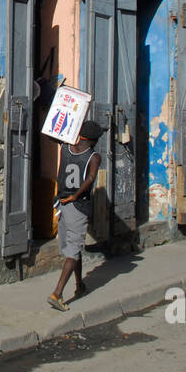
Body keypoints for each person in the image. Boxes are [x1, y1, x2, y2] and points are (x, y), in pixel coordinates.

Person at [47, 120, 103, 310]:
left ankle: (79, 285)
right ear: (94, 140)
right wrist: (76, 195)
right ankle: (57, 293)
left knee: (73, 248)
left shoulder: (65, 148)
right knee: (73, 249)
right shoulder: (93, 156)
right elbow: (90, 178)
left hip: (61, 203)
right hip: (77, 205)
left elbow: (49, 133)